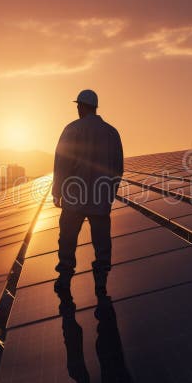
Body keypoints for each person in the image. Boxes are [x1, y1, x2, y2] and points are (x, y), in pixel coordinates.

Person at [52, 89, 124, 297]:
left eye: (77, 106)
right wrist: (109, 193)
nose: (76, 109)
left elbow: (61, 163)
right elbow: (118, 168)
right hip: (100, 200)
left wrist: (57, 191)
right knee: (102, 243)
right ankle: (101, 281)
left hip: (74, 199)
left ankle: (64, 278)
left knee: (67, 239)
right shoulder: (111, 133)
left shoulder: (72, 130)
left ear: (82, 107)